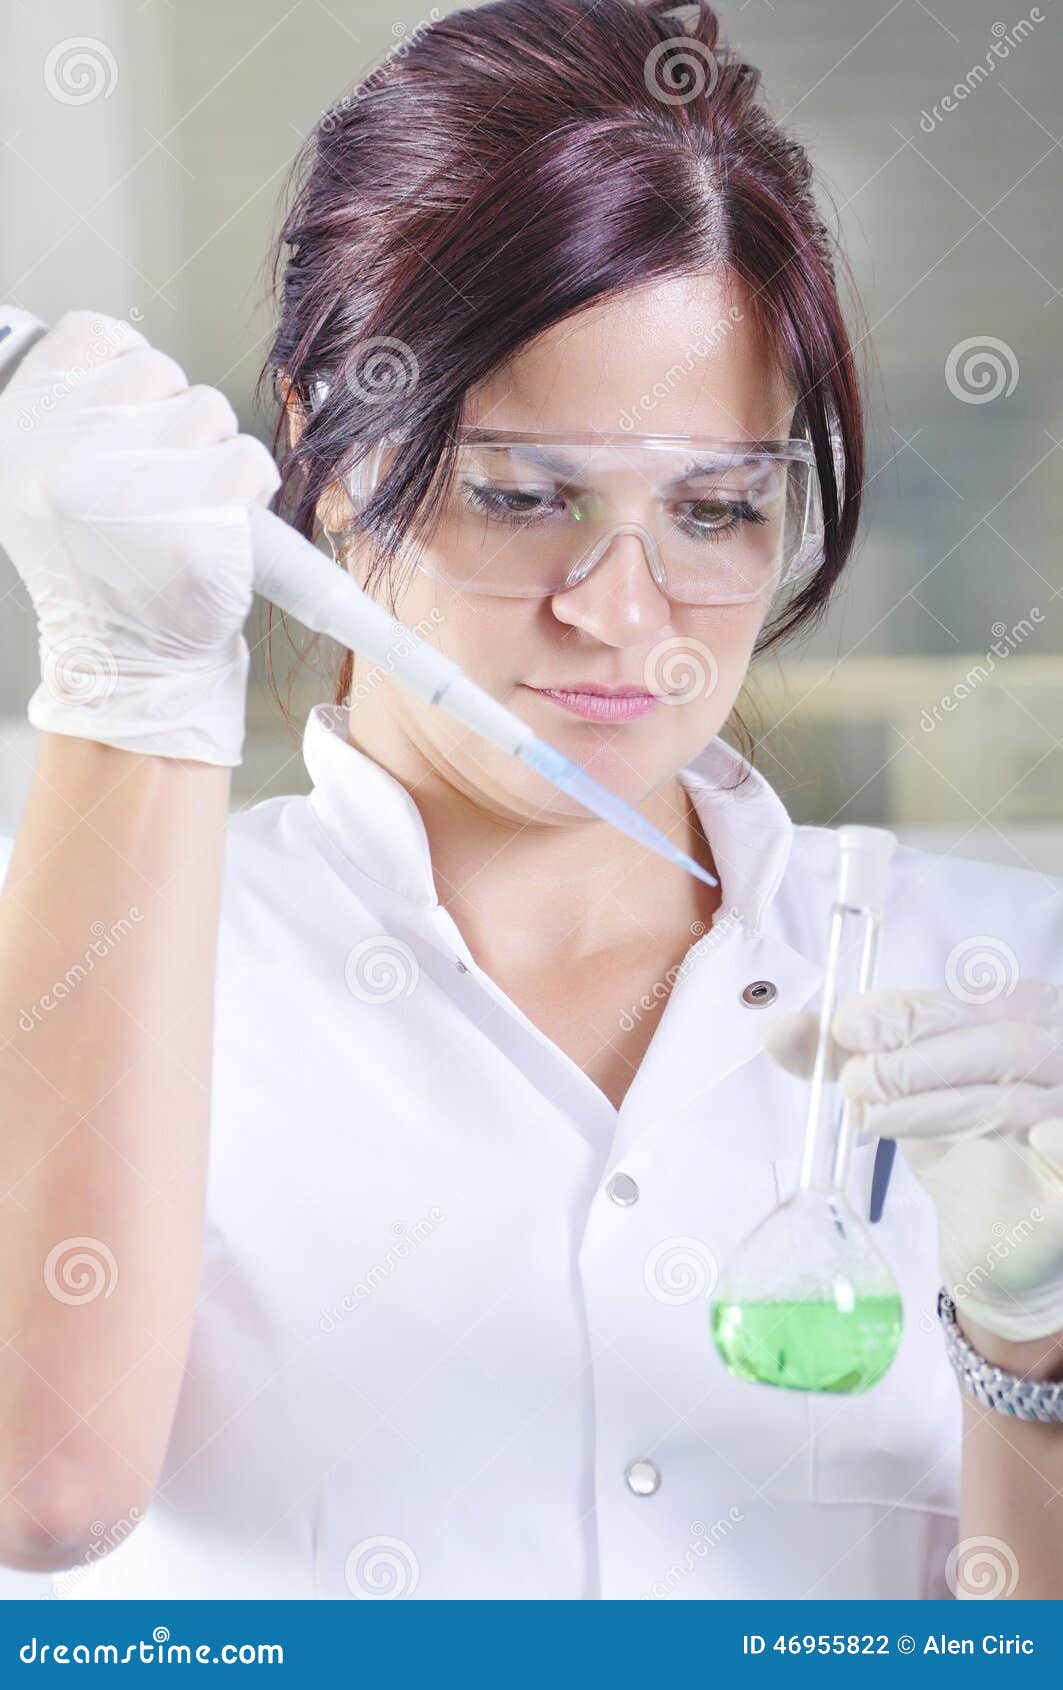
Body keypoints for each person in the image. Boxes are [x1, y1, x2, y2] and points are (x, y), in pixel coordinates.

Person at [0, 0, 1060, 1603]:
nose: (623, 614)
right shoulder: (97, 968)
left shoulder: (998, 996)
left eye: (716, 509)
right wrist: (130, 680)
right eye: (522, 494)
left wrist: (1031, 1345)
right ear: (326, 451)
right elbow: (39, 1484)